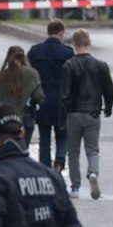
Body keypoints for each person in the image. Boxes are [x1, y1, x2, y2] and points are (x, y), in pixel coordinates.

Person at [61, 27, 113, 198]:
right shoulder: (100, 65)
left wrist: (63, 116)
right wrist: (108, 107)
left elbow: (64, 94)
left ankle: (75, 187)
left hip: (74, 113)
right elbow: (108, 89)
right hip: (92, 113)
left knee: (73, 152)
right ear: (89, 43)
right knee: (92, 150)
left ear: (74, 44)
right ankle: (93, 173)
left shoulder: (69, 65)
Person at [26, 18, 75, 174]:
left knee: (44, 139)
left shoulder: (35, 52)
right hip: (62, 102)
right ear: (60, 32)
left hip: (42, 101)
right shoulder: (68, 53)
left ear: (48, 32)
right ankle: (59, 163)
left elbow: (30, 76)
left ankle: (45, 169)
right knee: (62, 136)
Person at [0, 45, 43, 145]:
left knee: (8, 149)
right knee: (23, 149)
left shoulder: (1, 75)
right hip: (26, 119)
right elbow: (39, 97)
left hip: (6, 120)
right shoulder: (31, 74)